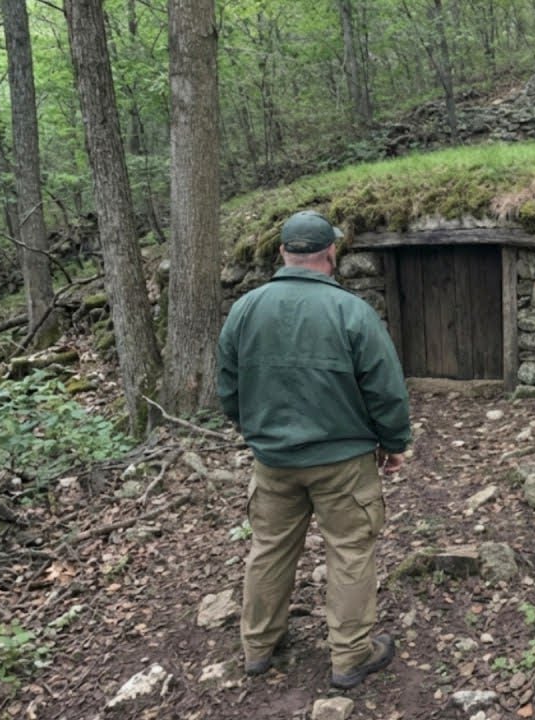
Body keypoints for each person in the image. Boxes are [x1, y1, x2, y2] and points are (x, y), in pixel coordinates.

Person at [217, 209, 412, 690]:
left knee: (268, 549)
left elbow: (228, 384)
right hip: (342, 463)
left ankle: (258, 647)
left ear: (283, 252)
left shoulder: (246, 308)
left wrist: (255, 431)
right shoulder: (351, 311)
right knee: (348, 552)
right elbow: (385, 388)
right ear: (331, 253)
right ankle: (350, 657)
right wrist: (394, 443)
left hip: (273, 462)